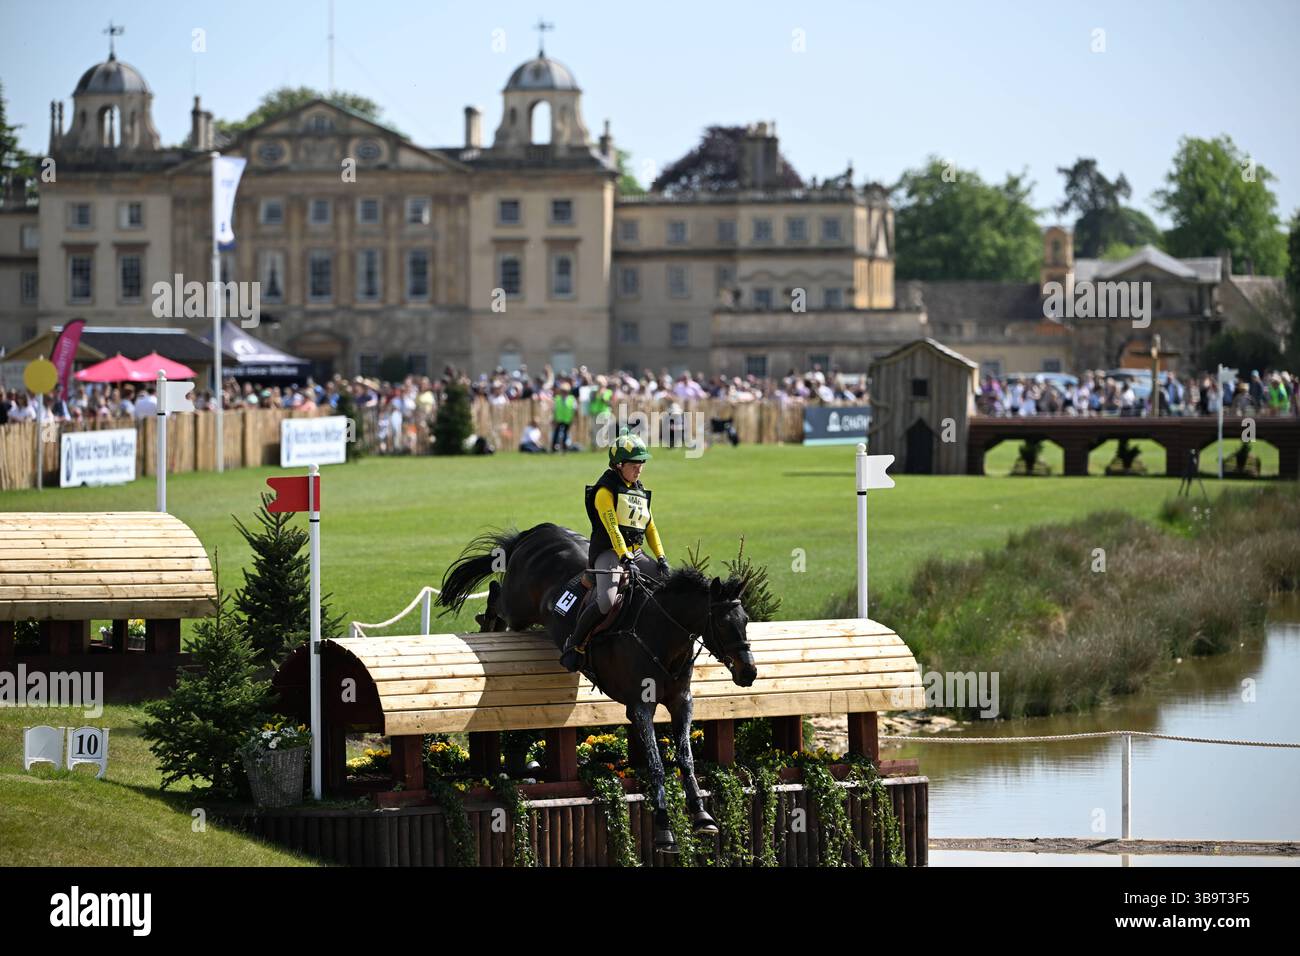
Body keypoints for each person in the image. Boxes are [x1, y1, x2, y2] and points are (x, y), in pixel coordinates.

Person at [560, 432, 669, 672]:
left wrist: (661, 557)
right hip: (609, 553)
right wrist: (624, 557)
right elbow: (612, 529)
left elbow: (649, 525)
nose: (639, 469)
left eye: (642, 464)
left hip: (634, 554)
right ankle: (575, 643)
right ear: (619, 465)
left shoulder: (637, 488)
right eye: (634, 464)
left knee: (667, 586)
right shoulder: (604, 492)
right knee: (607, 601)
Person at [551, 381, 577, 453]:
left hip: (567, 419)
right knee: (556, 433)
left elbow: (574, 409)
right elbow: (554, 409)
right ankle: (553, 448)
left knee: (565, 434)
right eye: (563, 391)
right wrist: (554, 418)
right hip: (558, 419)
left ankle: (564, 448)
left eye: (565, 391)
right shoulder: (557, 399)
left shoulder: (572, 399)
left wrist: (573, 418)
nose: (564, 392)